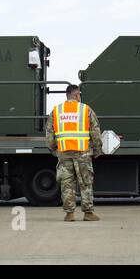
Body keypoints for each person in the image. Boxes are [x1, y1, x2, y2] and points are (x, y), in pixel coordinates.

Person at [46, 84, 102, 222]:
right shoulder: (85, 110)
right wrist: (97, 150)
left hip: (64, 154)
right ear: (77, 95)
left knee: (67, 184)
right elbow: (95, 132)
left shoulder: (56, 111)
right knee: (85, 183)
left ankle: (69, 214)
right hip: (82, 153)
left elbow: (49, 134)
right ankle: (88, 213)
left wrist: (54, 149)